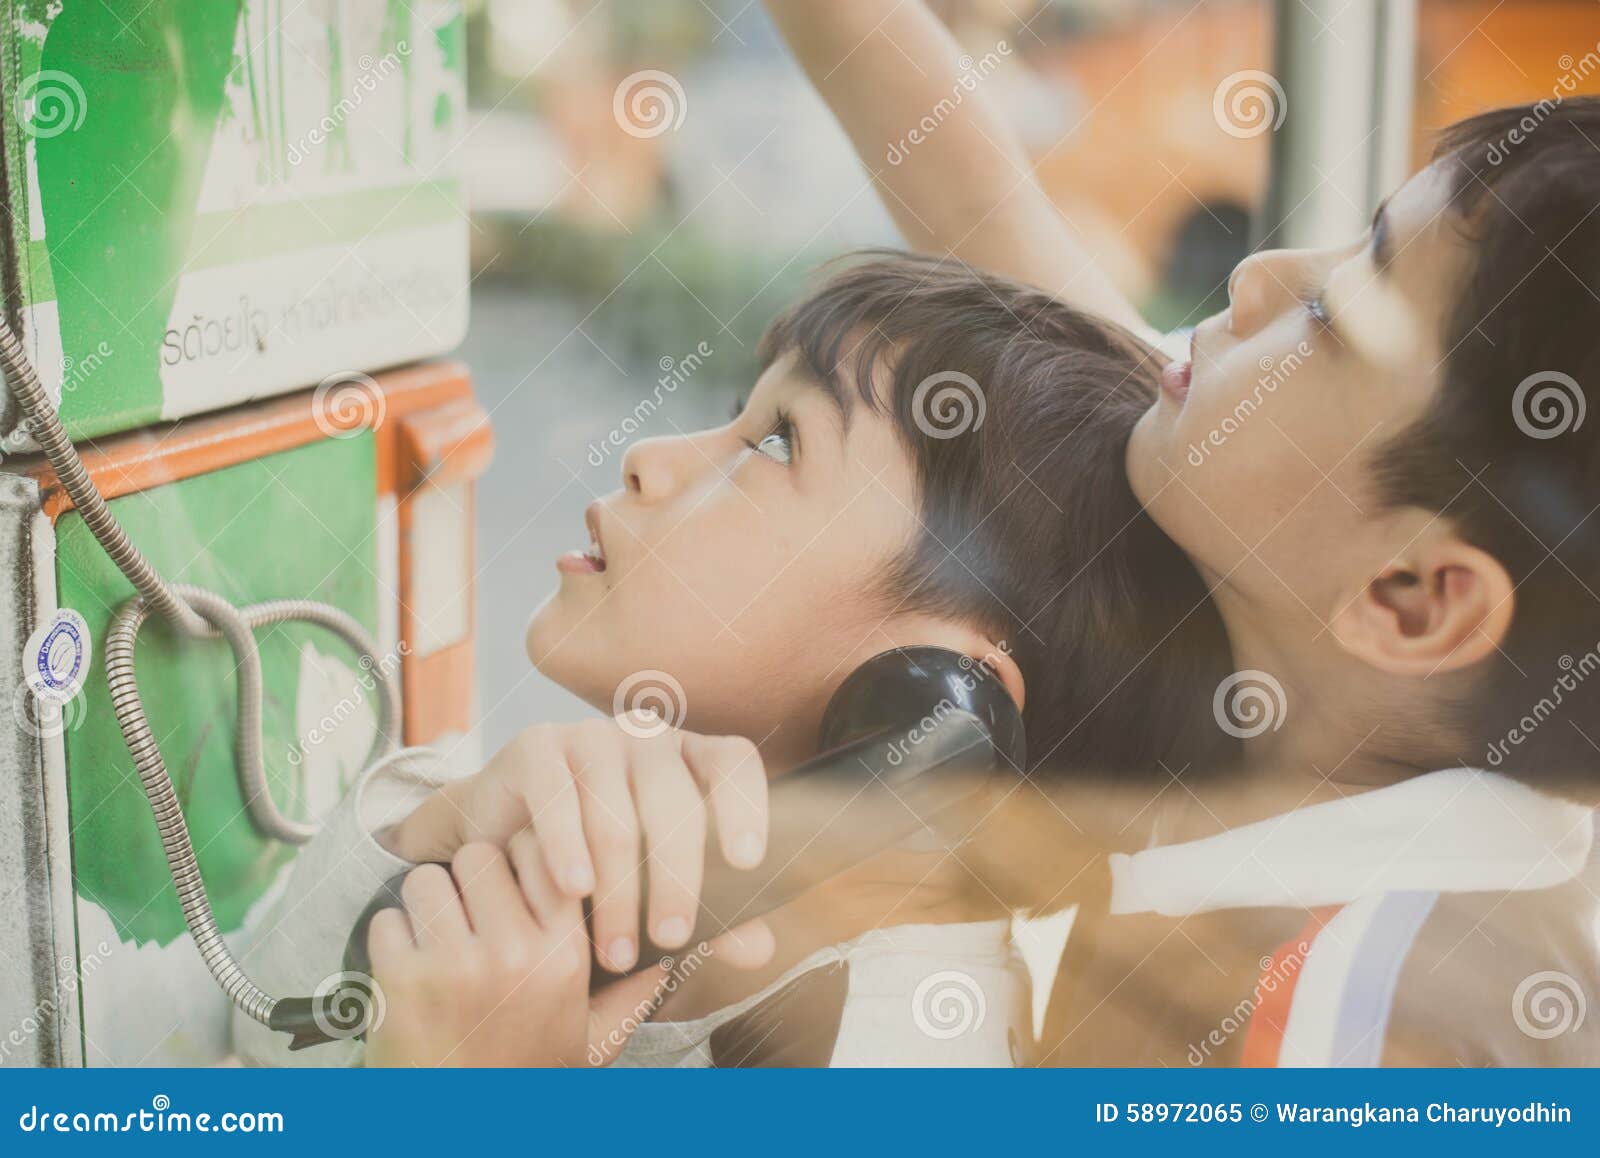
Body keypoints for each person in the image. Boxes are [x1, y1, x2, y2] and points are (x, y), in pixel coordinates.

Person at [763, 0, 1600, 1064]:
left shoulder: (1360, 1028)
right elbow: (973, 197)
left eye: (1332, 316)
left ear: (1413, 600)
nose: (1258, 276)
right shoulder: (1299, 561)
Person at [232, 252, 1234, 1067]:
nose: (652, 459)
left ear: (944, 710)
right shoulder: (624, 858)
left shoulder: (898, 1052)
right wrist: (430, 841)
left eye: (776, 443)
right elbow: (246, 1048)